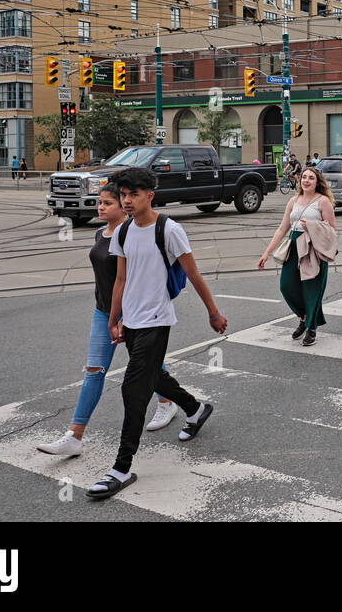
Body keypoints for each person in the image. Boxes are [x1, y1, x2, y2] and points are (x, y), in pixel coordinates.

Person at [86, 167, 228, 501]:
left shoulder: (169, 229)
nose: (127, 201)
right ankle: (195, 409)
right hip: (131, 320)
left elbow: (193, 273)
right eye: (123, 195)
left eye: (134, 194)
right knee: (153, 377)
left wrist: (213, 312)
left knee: (133, 388)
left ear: (151, 194)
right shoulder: (123, 233)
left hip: (156, 319)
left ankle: (120, 468)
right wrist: (114, 318)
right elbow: (120, 279)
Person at [38, 184, 181, 457]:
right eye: (100, 202)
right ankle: (74, 436)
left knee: (148, 366)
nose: (100, 207)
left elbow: (133, 278)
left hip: (134, 314)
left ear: (123, 206)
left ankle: (168, 401)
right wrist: (110, 313)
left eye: (107, 203)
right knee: (95, 371)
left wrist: (126, 315)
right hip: (104, 312)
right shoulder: (99, 233)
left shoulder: (132, 236)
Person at [258, 166, 337, 345]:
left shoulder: (323, 201)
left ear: (317, 182)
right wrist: (266, 253)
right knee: (286, 286)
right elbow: (282, 228)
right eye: (304, 177)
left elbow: (332, 230)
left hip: (312, 247)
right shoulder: (293, 200)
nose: (306, 180)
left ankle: (311, 327)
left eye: (311, 178)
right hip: (293, 245)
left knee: (311, 288)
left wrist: (311, 225)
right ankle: (303, 316)